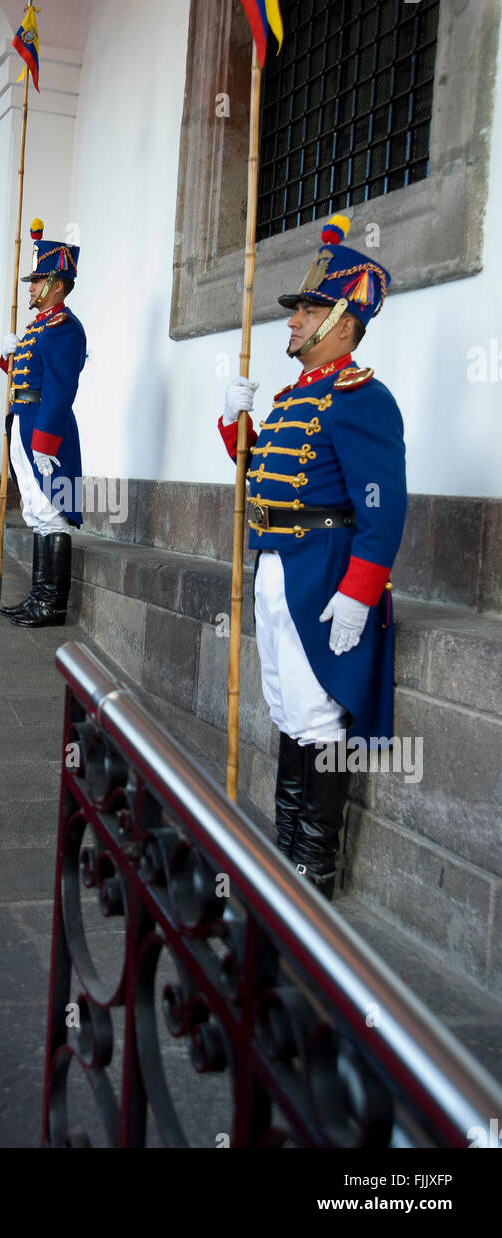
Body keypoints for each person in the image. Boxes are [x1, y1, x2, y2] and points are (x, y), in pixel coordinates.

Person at [219, 215, 407, 898]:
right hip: (277, 563)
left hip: (321, 573)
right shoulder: (296, 397)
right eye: (297, 310)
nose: (293, 323)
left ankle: (313, 862)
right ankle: (287, 841)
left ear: (343, 323)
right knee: (285, 707)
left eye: (307, 310)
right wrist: (234, 421)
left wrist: (359, 590)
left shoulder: (362, 397)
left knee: (316, 712)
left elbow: (382, 507)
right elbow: (261, 474)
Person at [0, 219, 86, 628]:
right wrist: (8, 359)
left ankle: (53, 604)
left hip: (45, 431)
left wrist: (46, 441)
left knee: (53, 512)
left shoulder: (65, 328)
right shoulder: (38, 327)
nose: (30, 288)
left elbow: (60, 387)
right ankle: (38, 596)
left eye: (36, 281)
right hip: (24, 421)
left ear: (56, 283)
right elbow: (25, 379)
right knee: (36, 509)